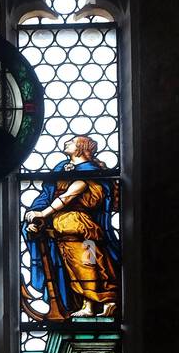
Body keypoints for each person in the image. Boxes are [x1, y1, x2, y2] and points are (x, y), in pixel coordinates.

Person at [22, 134, 119, 318]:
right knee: (76, 269)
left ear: (81, 148)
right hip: (64, 233)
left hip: (82, 231)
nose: (66, 142)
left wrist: (43, 214)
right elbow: (48, 195)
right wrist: (37, 221)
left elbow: (68, 196)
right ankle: (89, 304)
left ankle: (104, 302)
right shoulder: (63, 169)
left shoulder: (87, 172)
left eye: (72, 141)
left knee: (89, 265)